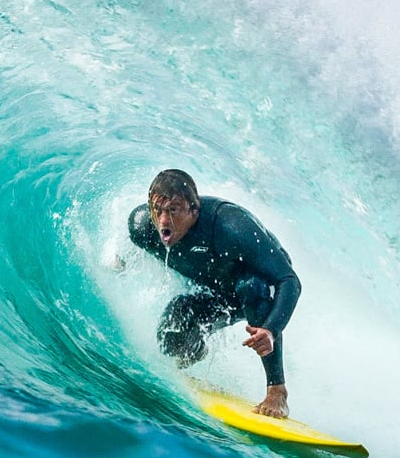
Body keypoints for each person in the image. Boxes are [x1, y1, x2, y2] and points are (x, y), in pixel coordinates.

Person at [127, 169, 301, 418]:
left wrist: (271, 329)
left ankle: (277, 392)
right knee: (174, 328)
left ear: (193, 210)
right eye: (158, 210)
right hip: (216, 290)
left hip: (259, 285)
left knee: (251, 288)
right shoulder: (142, 227)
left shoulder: (230, 226)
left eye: (174, 210)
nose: (164, 220)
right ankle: (196, 351)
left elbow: (289, 280)